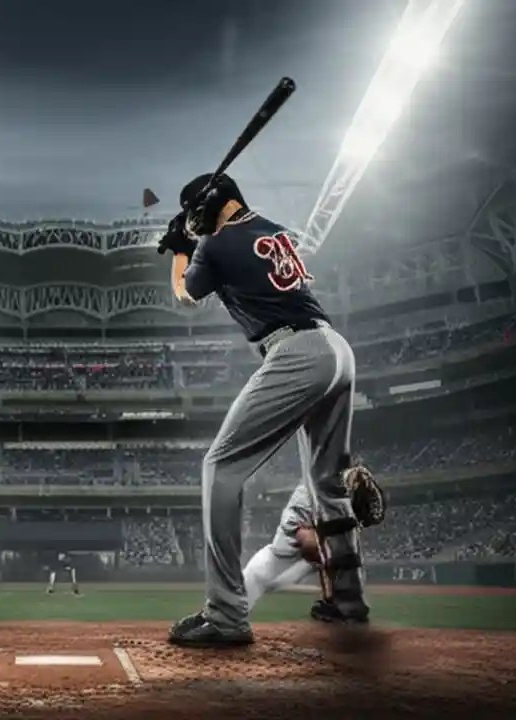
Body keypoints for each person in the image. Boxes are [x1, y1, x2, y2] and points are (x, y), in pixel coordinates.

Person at [158, 174, 385, 648]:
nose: (194, 221)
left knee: (220, 467)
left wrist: (179, 250)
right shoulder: (272, 228)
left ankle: (225, 614)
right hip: (336, 348)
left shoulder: (215, 245)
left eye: (195, 211)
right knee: (329, 483)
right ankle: (348, 602)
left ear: (210, 205)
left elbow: (185, 298)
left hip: (296, 351)